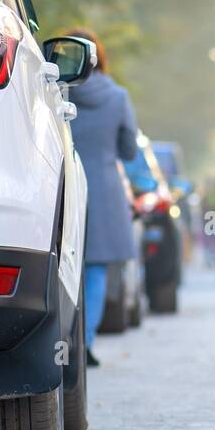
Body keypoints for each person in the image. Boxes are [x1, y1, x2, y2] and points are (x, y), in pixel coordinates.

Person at [66, 29, 138, 367]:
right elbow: (129, 149)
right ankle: (87, 343)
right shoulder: (119, 97)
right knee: (95, 270)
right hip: (105, 191)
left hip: (63, 184)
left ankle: (61, 343)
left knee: (63, 266)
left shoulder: (56, 92)